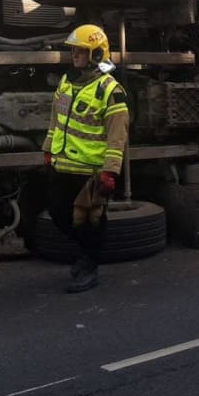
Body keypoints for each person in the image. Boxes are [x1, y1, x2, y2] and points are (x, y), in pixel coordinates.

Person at [41, 24, 129, 293]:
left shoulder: (110, 90)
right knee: (58, 213)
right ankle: (86, 254)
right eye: (74, 51)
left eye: (80, 51)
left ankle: (89, 266)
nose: (74, 56)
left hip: (91, 172)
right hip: (62, 165)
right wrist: (48, 149)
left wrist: (109, 172)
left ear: (96, 54)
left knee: (90, 221)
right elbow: (56, 119)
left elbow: (118, 135)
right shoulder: (67, 81)